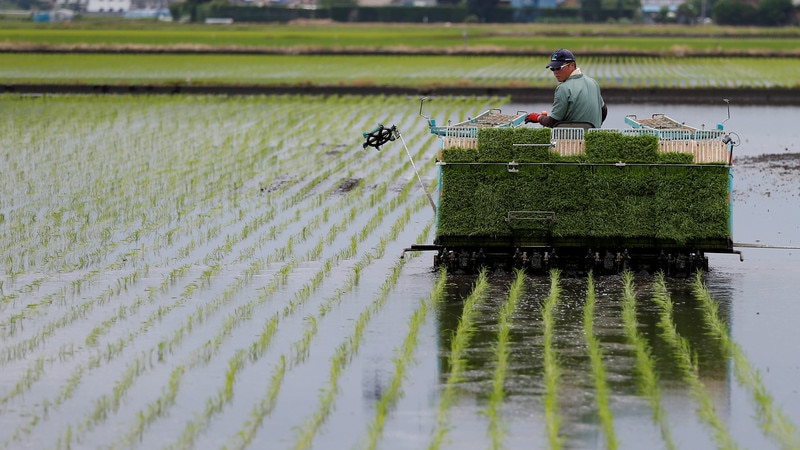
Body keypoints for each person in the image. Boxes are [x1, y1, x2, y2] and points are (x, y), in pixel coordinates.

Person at [525, 49, 607, 129]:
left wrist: (538, 118)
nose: (555, 72)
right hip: (593, 138)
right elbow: (604, 111)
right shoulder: (593, 83)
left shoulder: (563, 88)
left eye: (559, 68)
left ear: (572, 65)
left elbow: (553, 121)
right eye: (552, 68)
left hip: (570, 140)